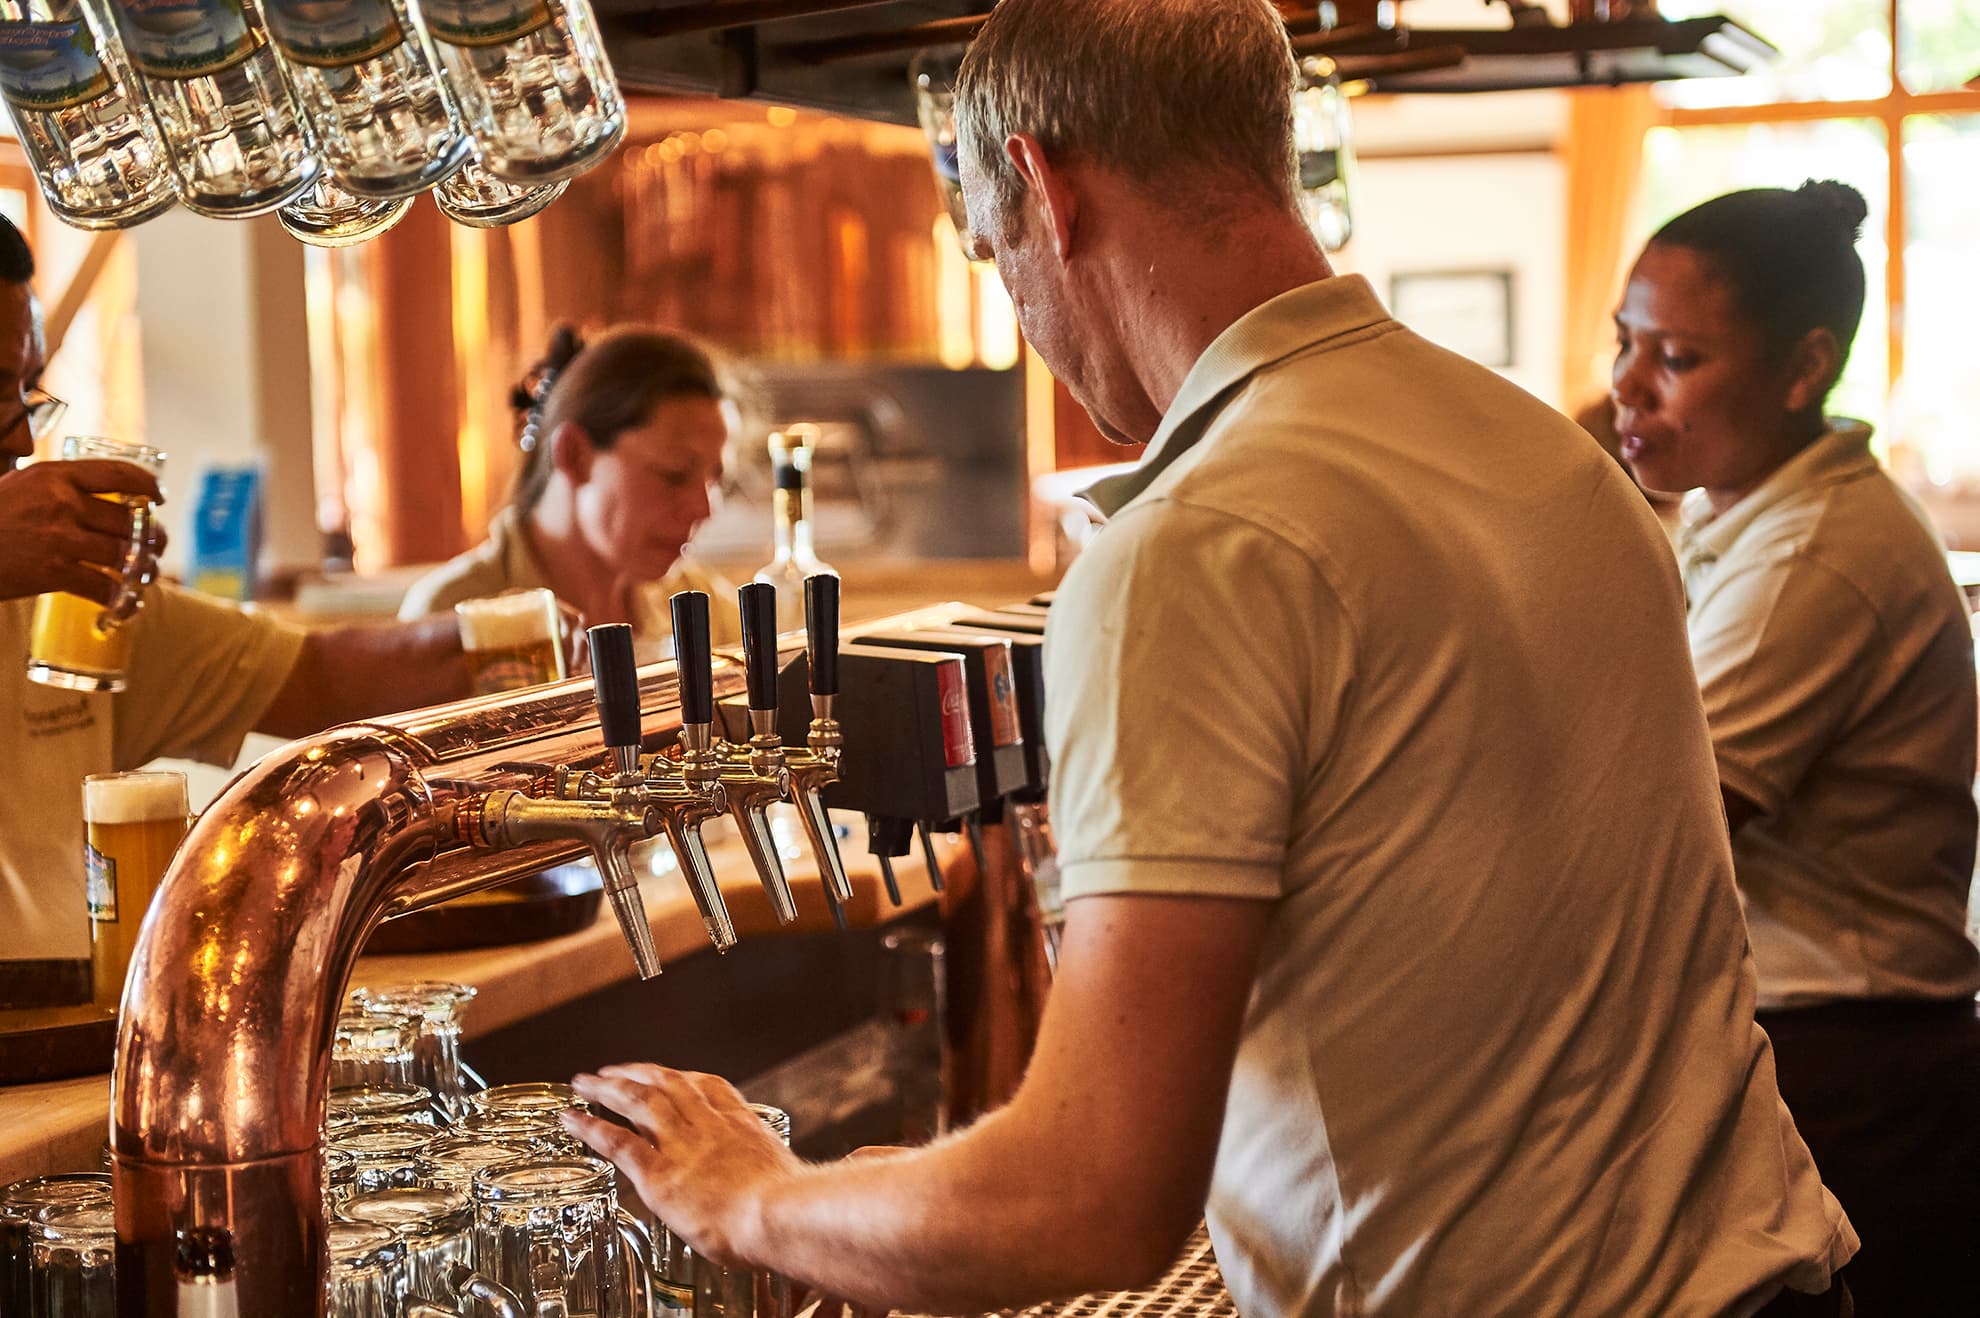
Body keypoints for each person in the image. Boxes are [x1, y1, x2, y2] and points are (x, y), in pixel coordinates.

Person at [562, 3, 1855, 1315]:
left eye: (990, 249)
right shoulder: (1549, 456)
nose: (1017, 307)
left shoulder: (1196, 544)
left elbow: (1090, 1202)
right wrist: (932, 1190)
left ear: (1047, 190)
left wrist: (754, 1192)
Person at [1613, 180, 1980, 1315]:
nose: (1627, 385)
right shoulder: (1746, 510)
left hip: (1853, 1066)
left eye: (1676, 356)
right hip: (1826, 1045)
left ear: (1804, 365)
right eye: (1624, 343)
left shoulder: (1811, 558)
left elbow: (1658, 828)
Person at [0, 215, 472, 1005]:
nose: (19, 432)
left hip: (68, 1054)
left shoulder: (63, 604)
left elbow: (317, 679)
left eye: (26, 389)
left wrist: (509, 643)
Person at [398, 324, 741, 661]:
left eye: (714, 481)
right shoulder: (452, 617)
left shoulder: (702, 607)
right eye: (674, 474)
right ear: (575, 455)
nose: (703, 508)